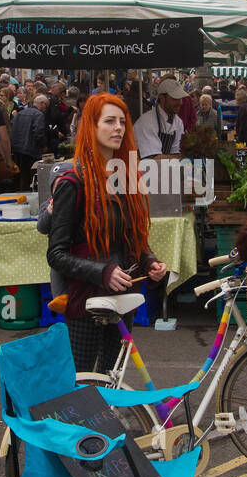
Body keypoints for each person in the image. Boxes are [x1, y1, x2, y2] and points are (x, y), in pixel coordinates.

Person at [47, 94, 168, 373]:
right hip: (87, 299)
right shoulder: (73, 183)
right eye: (109, 121)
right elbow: (56, 254)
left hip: (125, 295)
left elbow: (133, 239)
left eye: (122, 122)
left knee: (113, 375)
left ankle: (110, 416)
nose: (118, 128)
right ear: (92, 125)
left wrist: (150, 261)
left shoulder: (125, 178)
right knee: (83, 380)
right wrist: (102, 271)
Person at [133, 77, 186, 158]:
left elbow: (176, 151)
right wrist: (182, 157)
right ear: (161, 98)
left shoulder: (178, 122)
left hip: (165, 168)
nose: (180, 102)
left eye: (180, 98)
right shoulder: (146, 122)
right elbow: (154, 159)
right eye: (175, 98)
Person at [9, 94, 49, 191]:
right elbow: (38, 132)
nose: (45, 109)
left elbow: (12, 128)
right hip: (31, 150)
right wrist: (43, 146)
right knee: (30, 176)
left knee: (21, 175)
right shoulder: (39, 115)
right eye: (46, 106)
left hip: (17, 149)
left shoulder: (20, 113)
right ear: (41, 103)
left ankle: (22, 193)